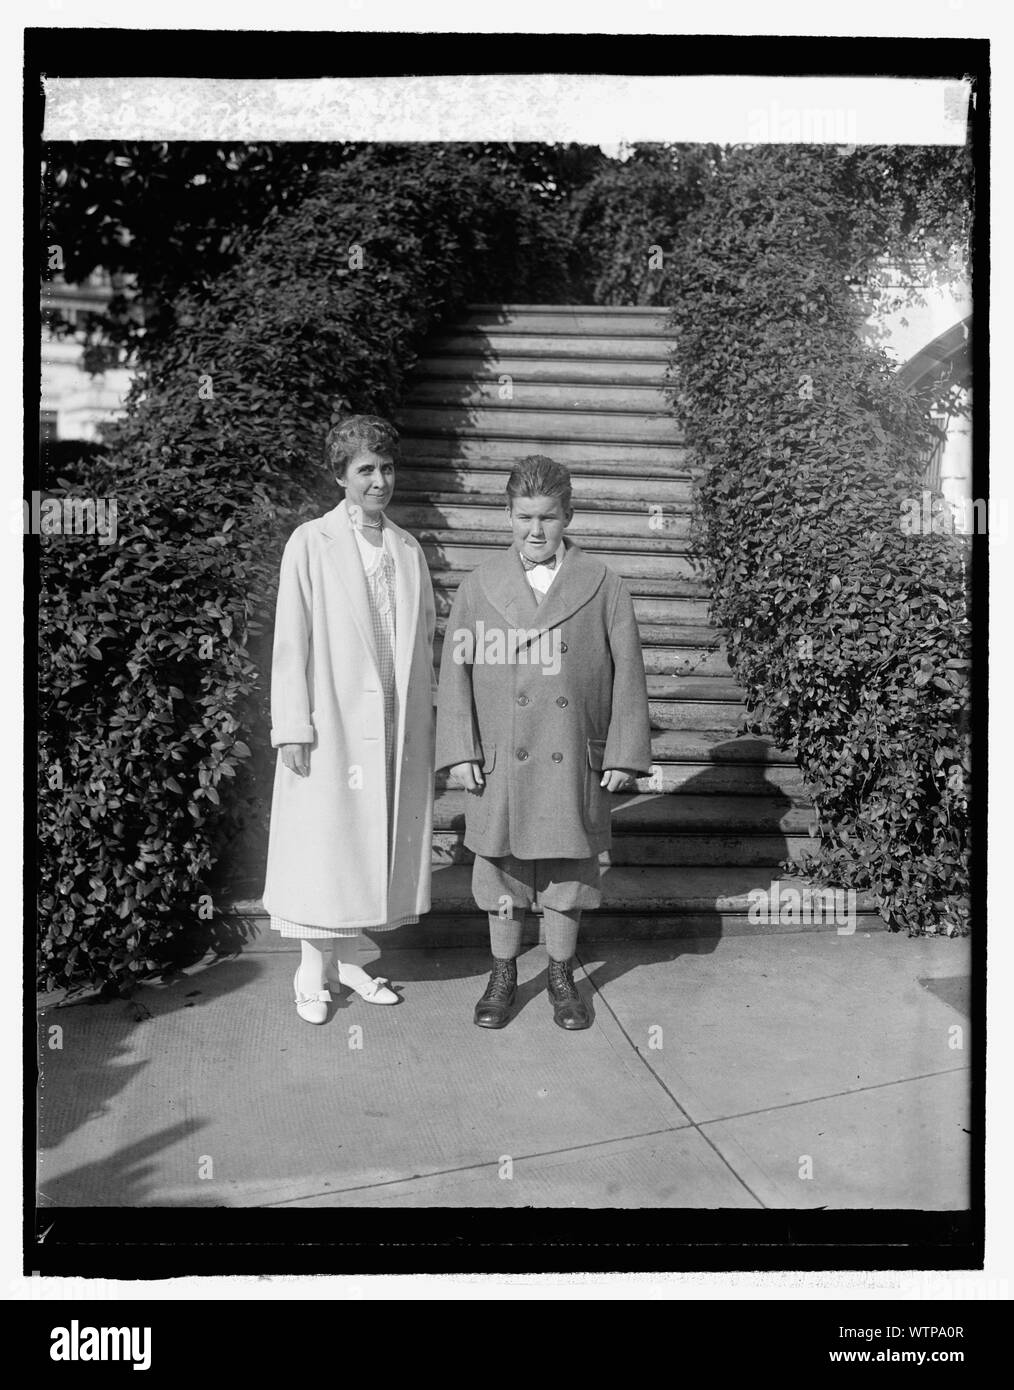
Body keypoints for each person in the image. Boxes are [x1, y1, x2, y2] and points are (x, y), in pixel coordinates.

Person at [435, 454, 652, 1031]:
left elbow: (628, 670)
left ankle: (560, 974)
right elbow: (454, 672)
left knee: (569, 870)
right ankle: (503, 972)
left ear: (569, 516)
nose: (536, 531)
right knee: (500, 868)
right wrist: (460, 749)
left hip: (570, 754)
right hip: (503, 758)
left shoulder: (603, 584)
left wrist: (625, 753)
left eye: (549, 518)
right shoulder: (479, 587)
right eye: (524, 517)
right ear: (507, 516)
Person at [263, 413, 437, 1023]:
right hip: (330, 720)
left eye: (387, 468)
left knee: (375, 844)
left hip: (392, 721)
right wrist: (292, 727)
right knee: (326, 845)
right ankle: (312, 969)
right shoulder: (310, 542)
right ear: (341, 476)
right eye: (366, 470)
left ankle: (353, 958)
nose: (380, 481)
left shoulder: (408, 548)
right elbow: (290, 643)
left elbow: (423, 645)